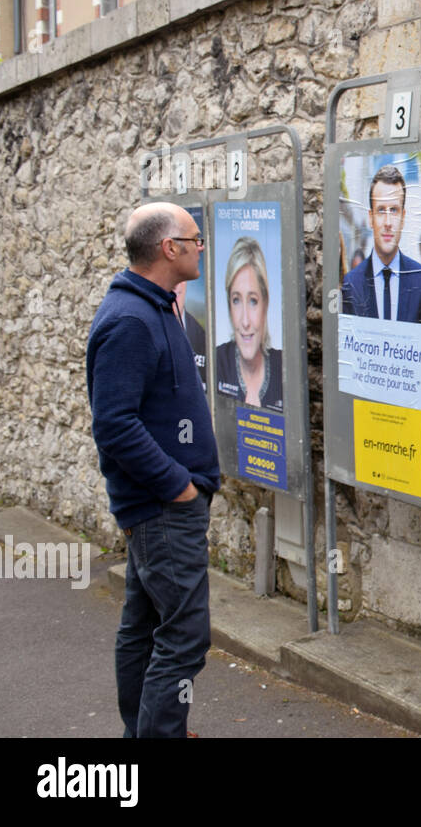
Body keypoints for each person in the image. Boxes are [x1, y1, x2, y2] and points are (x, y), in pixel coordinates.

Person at [86, 201, 219, 738]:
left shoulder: (154, 306)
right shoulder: (130, 320)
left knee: (143, 625)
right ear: (170, 249)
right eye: (195, 239)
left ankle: (146, 731)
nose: (200, 247)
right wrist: (179, 487)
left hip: (162, 507)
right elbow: (114, 425)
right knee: (185, 634)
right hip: (162, 508)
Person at [340, 164, 421, 323]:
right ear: (371, 218)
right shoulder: (352, 283)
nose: (387, 222)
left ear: (403, 217)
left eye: (394, 210)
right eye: (381, 210)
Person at [215, 236, 283, 411]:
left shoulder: (283, 366)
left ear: (265, 304)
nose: (245, 321)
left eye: (253, 301)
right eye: (236, 300)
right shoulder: (217, 363)